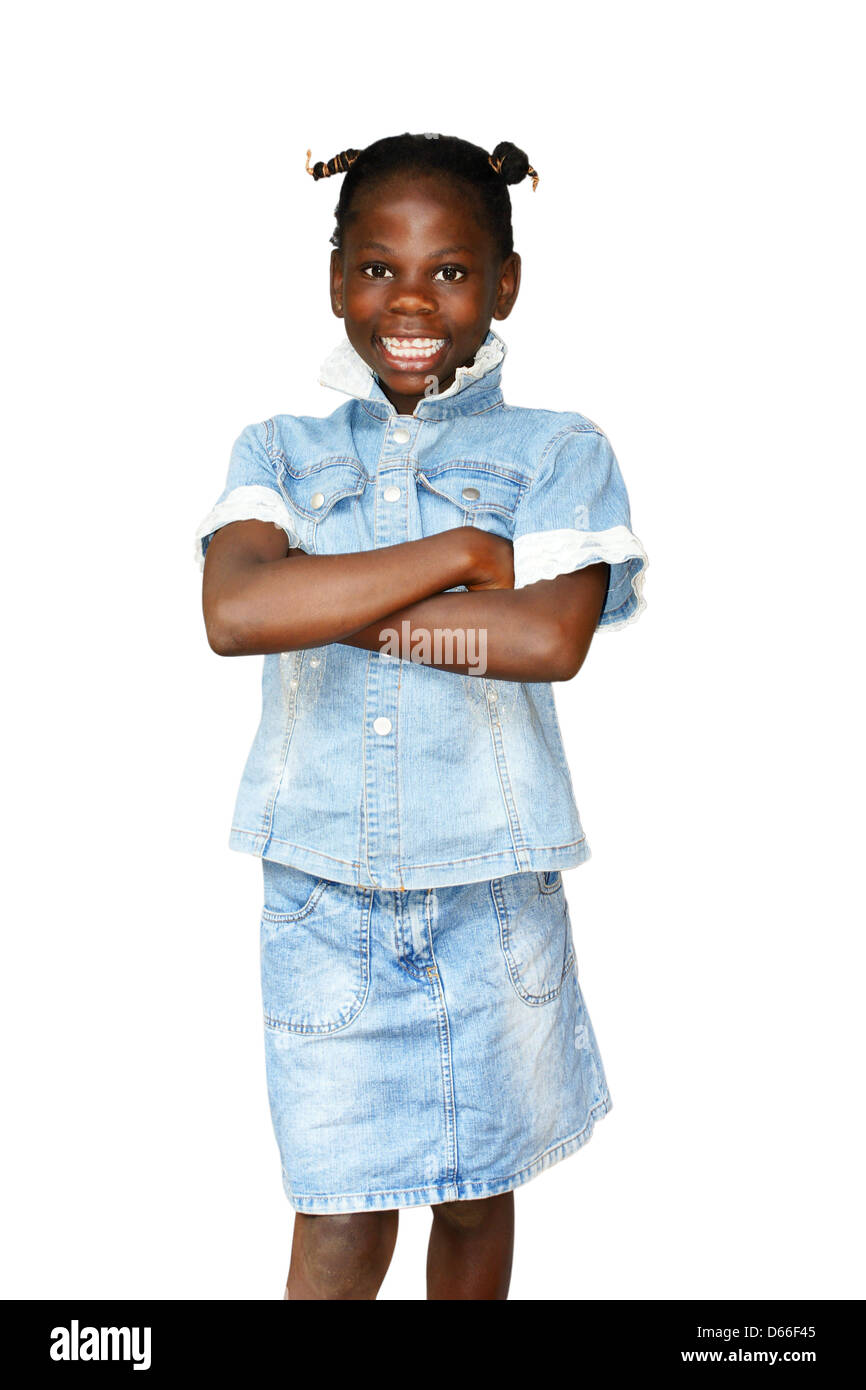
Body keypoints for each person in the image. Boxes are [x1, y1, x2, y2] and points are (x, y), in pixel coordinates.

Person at [193, 132, 648, 1300]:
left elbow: (548, 639)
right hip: (322, 897)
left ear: (503, 282)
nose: (409, 300)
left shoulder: (555, 449)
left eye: (449, 270)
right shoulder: (277, 452)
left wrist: (326, 597)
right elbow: (238, 611)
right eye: (377, 266)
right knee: (338, 1218)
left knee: (473, 1188)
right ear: (335, 275)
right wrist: (454, 556)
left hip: (491, 891)